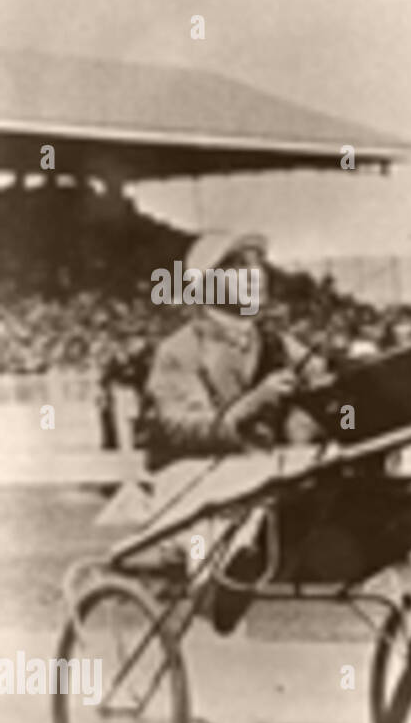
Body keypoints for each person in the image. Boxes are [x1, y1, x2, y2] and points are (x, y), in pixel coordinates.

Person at [140, 232, 331, 633]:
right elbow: (184, 430)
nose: (256, 275)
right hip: (192, 479)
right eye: (240, 267)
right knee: (234, 498)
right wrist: (253, 402)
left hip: (257, 475)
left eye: (258, 265)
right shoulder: (179, 350)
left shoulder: (277, 343)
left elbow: (325, 385)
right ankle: (214, 582)